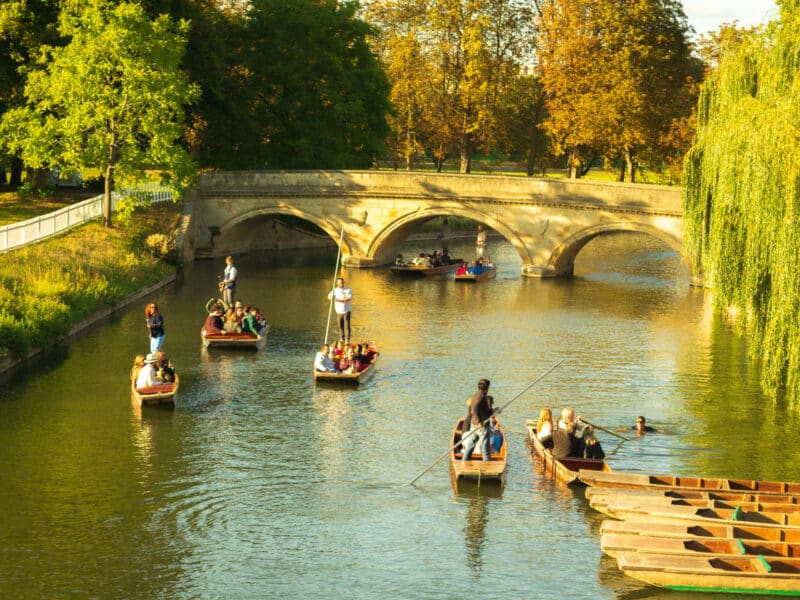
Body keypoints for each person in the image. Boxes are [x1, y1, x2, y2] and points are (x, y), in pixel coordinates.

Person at [462, 379, 500, 462]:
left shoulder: (477, 394)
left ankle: (464, 461)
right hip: (481, 425)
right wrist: (479, 421)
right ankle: (487, 466)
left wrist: (495, 410)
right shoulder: (481, 396)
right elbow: (473, 409)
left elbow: (484, 411)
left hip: (474, 424)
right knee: (485, 447)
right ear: (487, 388)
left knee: (471, 444)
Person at [328, 277, 353, 344]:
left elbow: (347, 299)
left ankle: (347, 339)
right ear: (337, 283)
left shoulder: (348, 290)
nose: (341, 283)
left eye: (342, 282)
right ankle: (342, 338)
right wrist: (331, 297)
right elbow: (329, 296)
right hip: (339, 312)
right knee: (340, 326)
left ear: (344, 282)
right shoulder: (335, 290)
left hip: (346, 311)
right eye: (340, 282)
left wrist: (337, 300)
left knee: (347, 326)